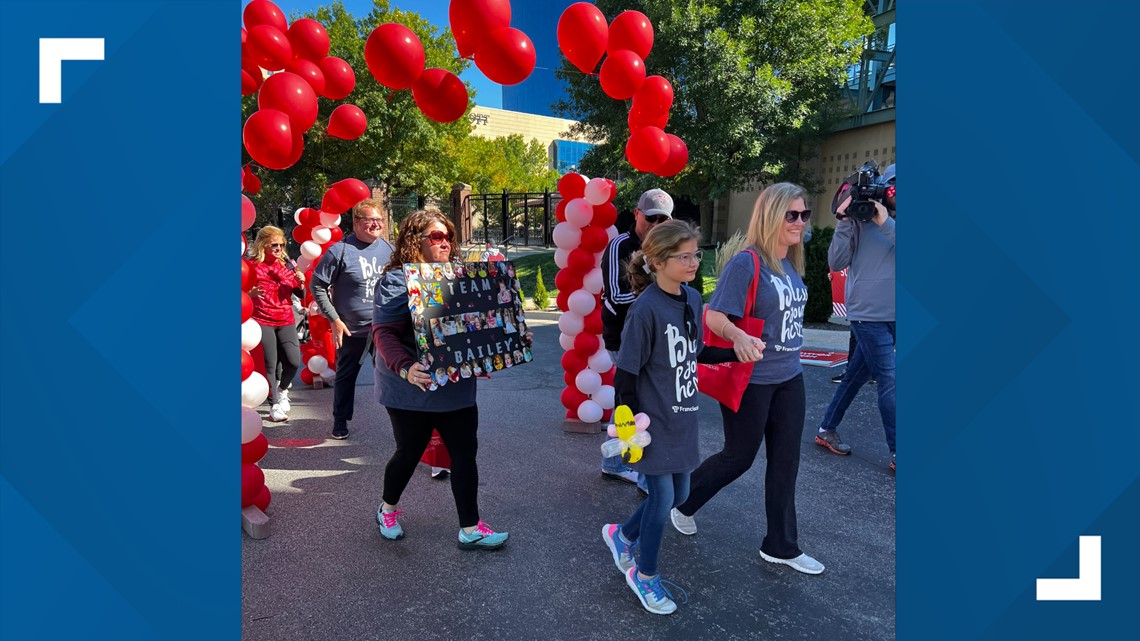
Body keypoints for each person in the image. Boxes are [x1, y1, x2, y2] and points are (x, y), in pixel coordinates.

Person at [601, 220, 762, 615]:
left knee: (683, 494)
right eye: (684, 256)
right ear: (656, 261)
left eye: (696, 254)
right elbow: (626, 374)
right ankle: (645, 574)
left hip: (684, 415)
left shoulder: (691, 298)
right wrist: (629, 429)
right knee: (663, 499)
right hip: (650, 422)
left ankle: (622, 535)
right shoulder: (644, 310)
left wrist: (734, 352)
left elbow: (696, 351)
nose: (694, 263)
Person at [668, 183, 827, 576]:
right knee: (739, 458)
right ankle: (682, 503)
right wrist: (737, 336)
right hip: (752, 379)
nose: (800, 222)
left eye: (804, 214)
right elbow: (715, 316)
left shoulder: (791, 264)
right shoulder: (746, 263)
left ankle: (781, 546)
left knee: (786, 461)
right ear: (770, 215)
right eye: (792, 214)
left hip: (790, 376)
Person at [371, 209, 512, 550]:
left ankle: (470, 527)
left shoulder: (460, 277)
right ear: (413, 241)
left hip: (455, 386)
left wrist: (506, 339)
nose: (445, 242)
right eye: (436, 236)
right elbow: (384, 333)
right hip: (410, 386)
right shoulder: (394, 280)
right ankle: (387, 508)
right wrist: (405, 367)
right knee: (409, 452)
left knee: (465, 454)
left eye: (448, 235)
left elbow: (476, 323)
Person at [816, 164, 896, 471]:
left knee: (856, 375)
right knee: (889, 381)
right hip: (868, 316)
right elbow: (836, 261)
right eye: (892, 188)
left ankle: (826, 428)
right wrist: (845, 220)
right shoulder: (860, 221)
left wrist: (886, 221)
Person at [599, 187, 674, 485]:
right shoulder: (621, 244)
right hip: (624, 336)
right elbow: (616, 294)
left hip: (655, 338)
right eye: (651, 218)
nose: (656, 225)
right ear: (637, 214)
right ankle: (642, 473)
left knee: (632, 401)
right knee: (638, 402)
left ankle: (616, 461)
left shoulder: (666, 247)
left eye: (663, 219)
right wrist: (658, 297)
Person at [310, 199, 394, 440]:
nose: (377, 224)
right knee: (346, 377)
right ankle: (340, 420)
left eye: (380, 220)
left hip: (383, 328)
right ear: (357, 222)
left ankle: (400, 420)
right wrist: (334, 319)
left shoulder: (388, 249)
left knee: (393, 375)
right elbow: (317, 285)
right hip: (351, 330)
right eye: (371, 220)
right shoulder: (340, 250)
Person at [248, 226, 306, 422]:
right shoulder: (251, 265)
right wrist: (249, 294)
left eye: (282, 245)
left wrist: (301, 282)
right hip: (262, 319)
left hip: (285, 318)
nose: (279, 248)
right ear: (263, 244)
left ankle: (281, 391)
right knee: (270, 364)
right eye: (275, 245)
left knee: (293, 361)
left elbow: (301, 295)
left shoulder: (288, 265)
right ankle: (274, 406)